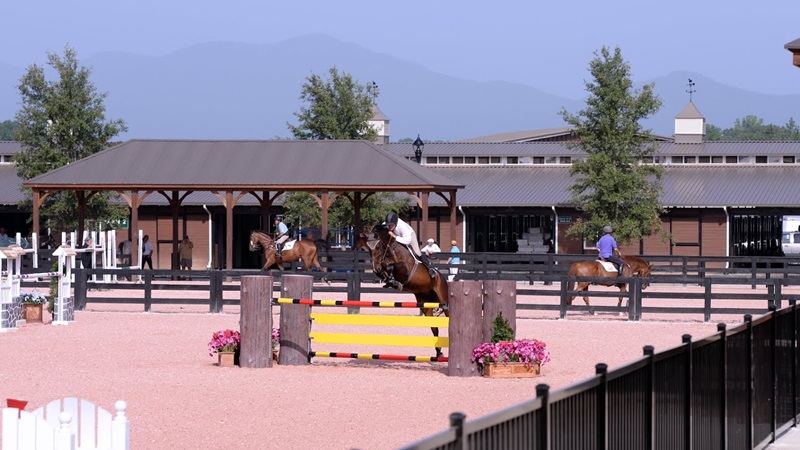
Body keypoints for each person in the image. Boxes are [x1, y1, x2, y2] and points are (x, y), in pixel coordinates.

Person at [385, 212, 437, 279]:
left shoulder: (402, 227)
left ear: (396, 223)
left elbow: (407, 241)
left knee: (417, 252)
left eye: (391, 225)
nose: (389, 227)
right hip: (399, 236)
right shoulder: (387, 223)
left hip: (409, 237)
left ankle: (430, 268)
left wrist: (394, 236)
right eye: (388, 225)